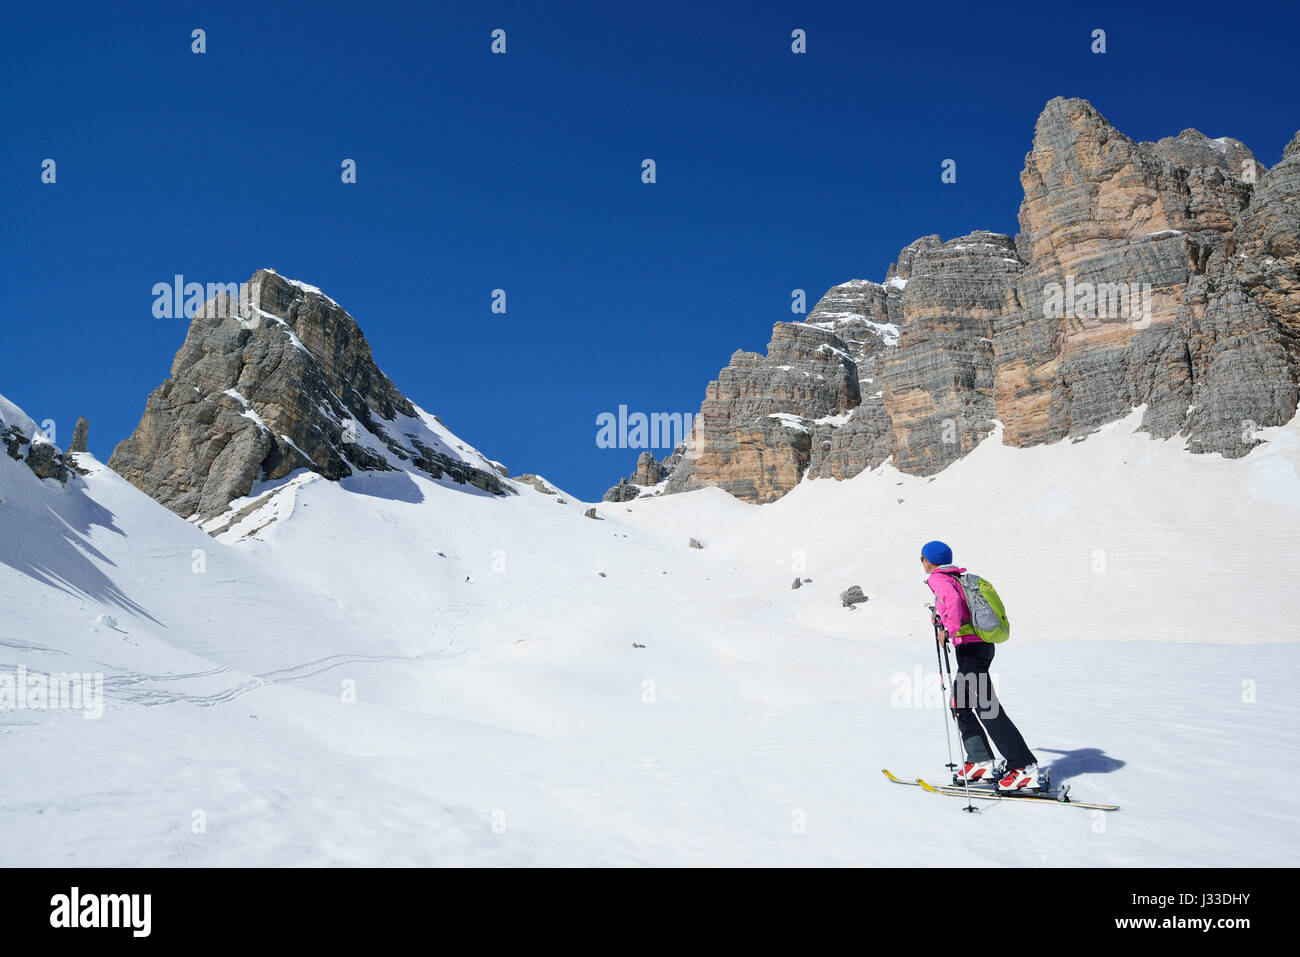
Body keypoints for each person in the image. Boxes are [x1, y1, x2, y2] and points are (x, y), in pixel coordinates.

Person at [922, 540, 1040, 791]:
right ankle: (980, 759)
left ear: (929, 560)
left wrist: (948, 631)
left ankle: (1023, 766)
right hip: (981, 647)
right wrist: (940, 616)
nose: (921, 563)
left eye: (921, 558)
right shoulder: (956, 576)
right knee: (960, 704)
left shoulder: (939, 579)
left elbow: (953, 602)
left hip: (970, 650)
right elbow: (955, 605)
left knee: (986, 707)